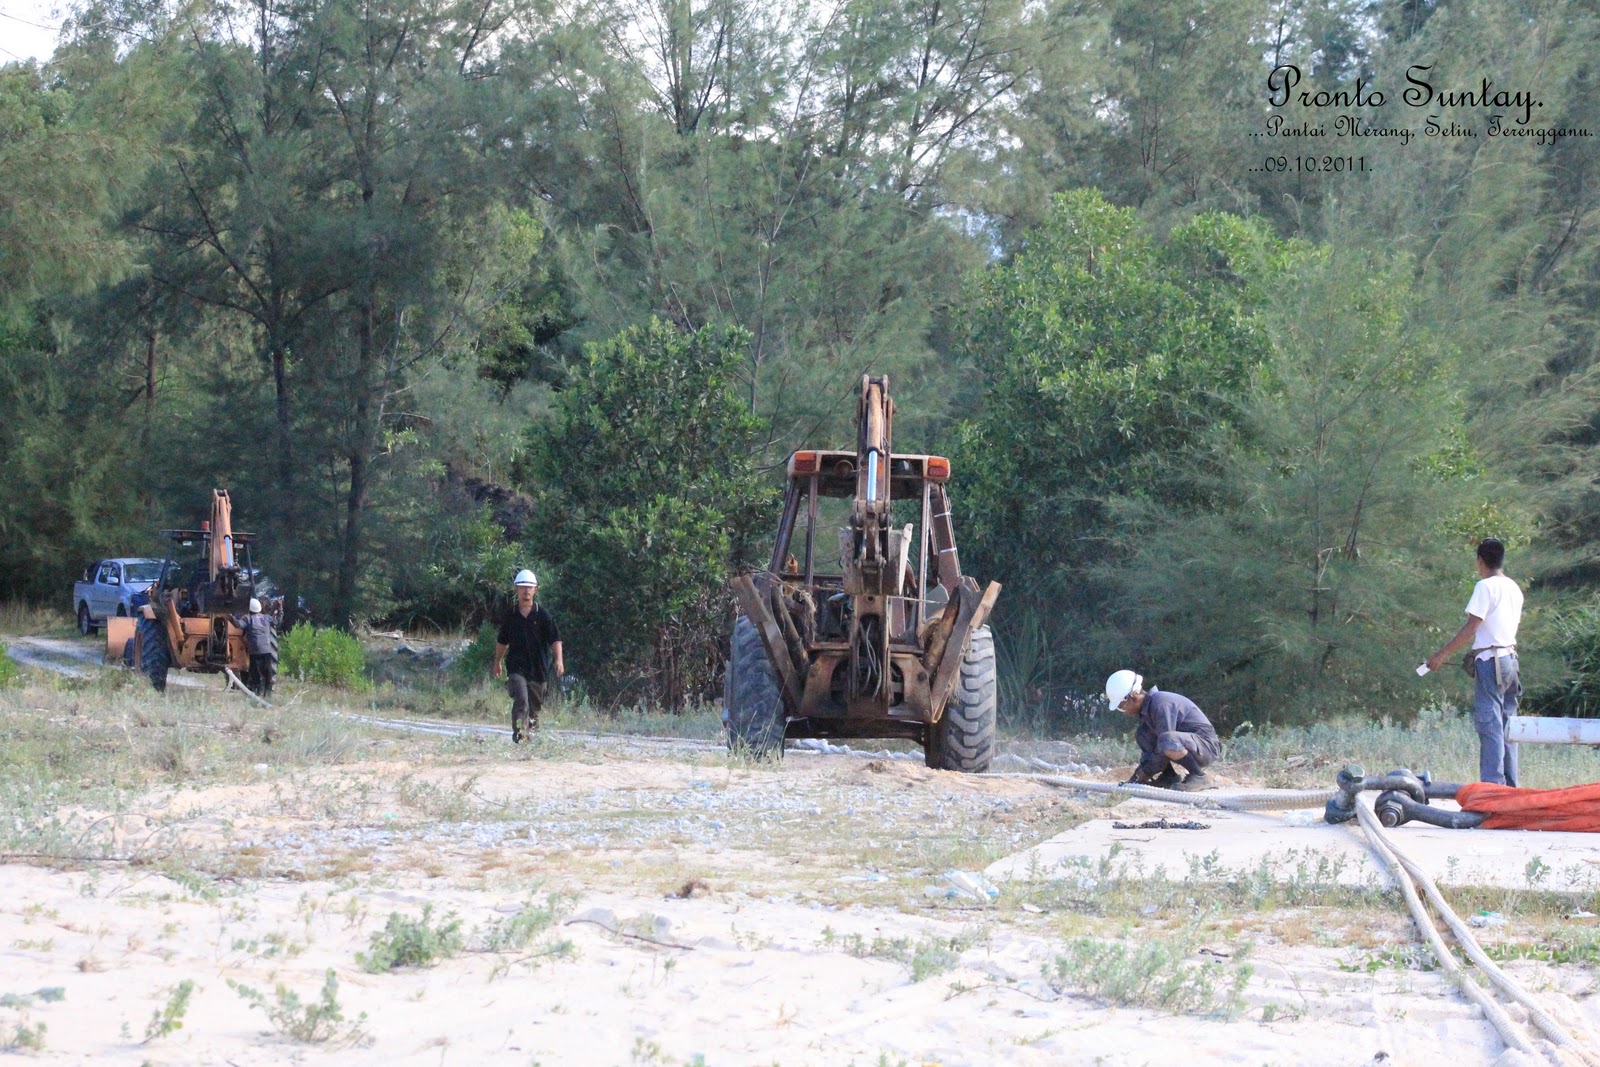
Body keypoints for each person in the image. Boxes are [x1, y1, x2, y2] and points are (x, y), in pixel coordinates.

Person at [1425, 538, 1523, 786]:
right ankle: (1511, 787)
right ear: (1501, 559)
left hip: (1491, 662)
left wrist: (1441, 654)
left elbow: (1472, 626)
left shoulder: (1485, 586)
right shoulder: (1513, 587)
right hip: (1511, 660)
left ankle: (1492, 787)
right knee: (1507, 725)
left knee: (1489, 724)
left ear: (1480, 560)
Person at [1105, 670, 1220, 791]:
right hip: (1192, 743)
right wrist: (1137, 775)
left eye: (1122, 707)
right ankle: (1168, 777)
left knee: (1166, 740)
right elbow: (1152, 753)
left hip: (1207, 746)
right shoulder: (1149, 710)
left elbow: (1164, 746)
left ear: (1134, 697)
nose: (1125, 712)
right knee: (1142, 734)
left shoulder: (1160, 704)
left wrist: (1146, 772)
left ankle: (1199, 776)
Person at [492, 569, 564, 744]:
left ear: (535, 590)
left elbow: (555, 639)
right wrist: (497, 662)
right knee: (522, 700)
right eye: (523, 587)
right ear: (516, 589)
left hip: (538, 669)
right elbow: (502, 641)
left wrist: (559, 660)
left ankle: (530, 737)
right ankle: (519, 736)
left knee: (534, 708)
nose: (526, 591)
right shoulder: (510, 615)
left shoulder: (543, 615)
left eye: (529, 587)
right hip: (516, 668)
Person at [233, 597, 278, 697]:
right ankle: (268, 692)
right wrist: (280, 610)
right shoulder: (266, 618)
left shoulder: (248, 619)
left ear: (249, 609)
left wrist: (230, 617)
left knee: (255, 674)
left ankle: (256, 692)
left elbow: (238, 625)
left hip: (254, 652)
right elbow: (277, 621)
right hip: (267, 651)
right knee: (267, 673)